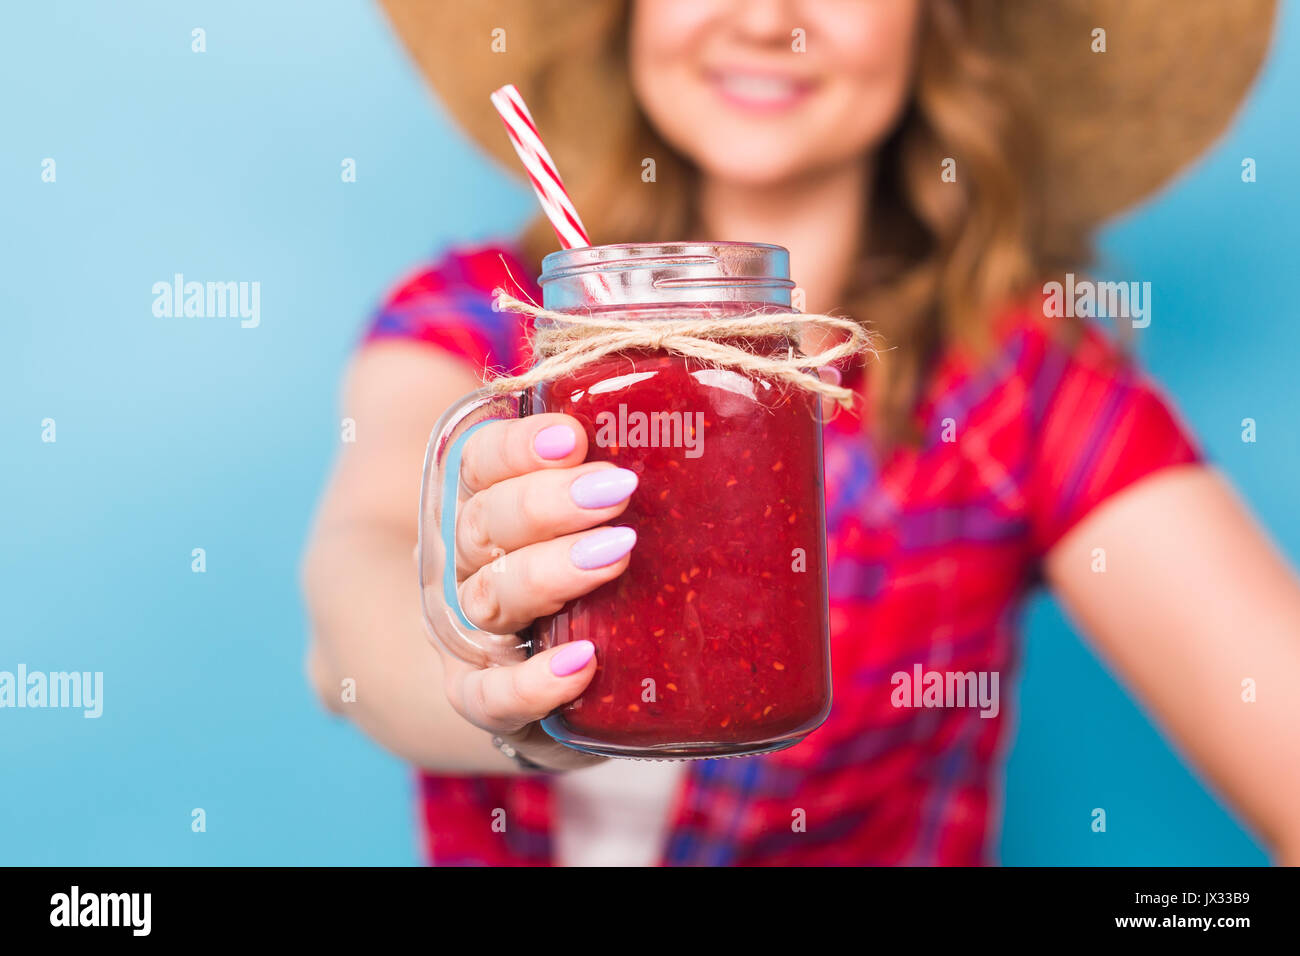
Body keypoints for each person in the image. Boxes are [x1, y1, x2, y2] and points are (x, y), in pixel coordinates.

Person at [302, 0, 1300, 865]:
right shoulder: (495, 326)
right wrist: (488, 676)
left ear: (933, 20)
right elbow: (356, 598)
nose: (764, 16)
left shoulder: (1015, 391)